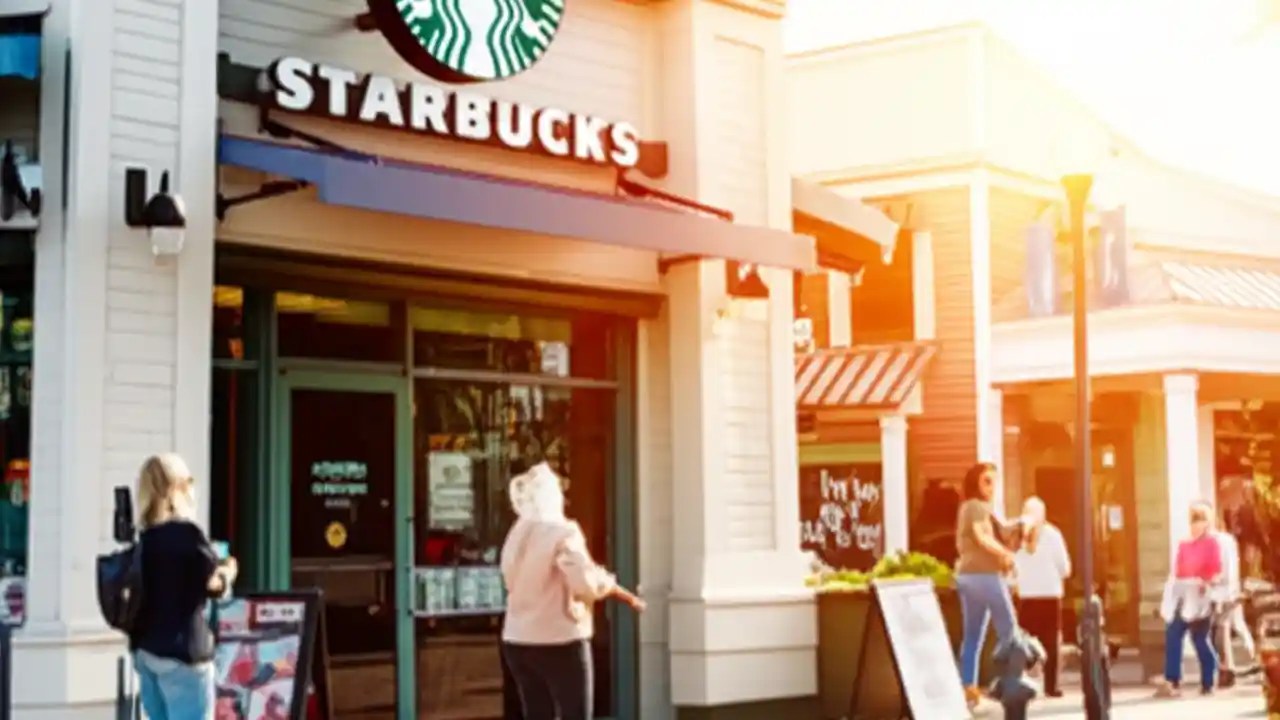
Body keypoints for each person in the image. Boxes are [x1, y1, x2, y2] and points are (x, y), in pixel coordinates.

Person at [500, 463, 645, 720]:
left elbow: (508, 578)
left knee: (536, 713)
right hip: (560, 639)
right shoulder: (563, 531)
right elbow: (585, 583)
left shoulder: (517, 534)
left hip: (518, 639)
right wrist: (611, 585)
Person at [129, 454, 239, 720]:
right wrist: (228, 571)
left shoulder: (144, 538)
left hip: (147, 652)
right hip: (184, 654)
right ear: (177, 488)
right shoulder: (188, 535)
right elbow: (212, 585)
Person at [954, 462, 1020, 707]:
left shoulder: (972, 508)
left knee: (973, 636)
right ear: (975, 483)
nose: (992, 487)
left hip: (967, 577)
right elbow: (981, 537)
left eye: (994, 481)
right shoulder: (976, 506)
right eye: (986, 481)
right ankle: (1013, 682)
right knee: (1009, 631)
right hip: (985, 576)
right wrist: (1005, 554)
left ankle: (968, 687)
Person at [1154, 501, 1222, 698]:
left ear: (1206, 523)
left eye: (1198, 521)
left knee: (1199, 638)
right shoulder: (1184, 545)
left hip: (1201, 597)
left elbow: (1216, 570)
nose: (1194, 525)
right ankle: (1173, 679)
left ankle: (1209, 679)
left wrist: (1206, 582)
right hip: (1184, 596)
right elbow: (1178, 570)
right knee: (1173, 632)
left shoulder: (1212, 544)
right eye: (1192, 521)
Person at [1013, 496, 1071, 698]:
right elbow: (1065, 568)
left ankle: (1022, 677)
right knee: (1051, 642)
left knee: (1023, 639)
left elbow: (1011, 566)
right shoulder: (1053, 535)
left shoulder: (1016, 537)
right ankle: (1051, 686)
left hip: (1026, 595)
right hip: (1050, 594)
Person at [1210, 513, 1256, 687]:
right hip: (1229, 590)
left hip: (1224, 592)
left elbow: (1226, 568)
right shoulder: (1226, 540)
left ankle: (1228, 670)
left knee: (1222, 629)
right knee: (1234, 624)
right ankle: (1246, 659)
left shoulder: (1221, 541)